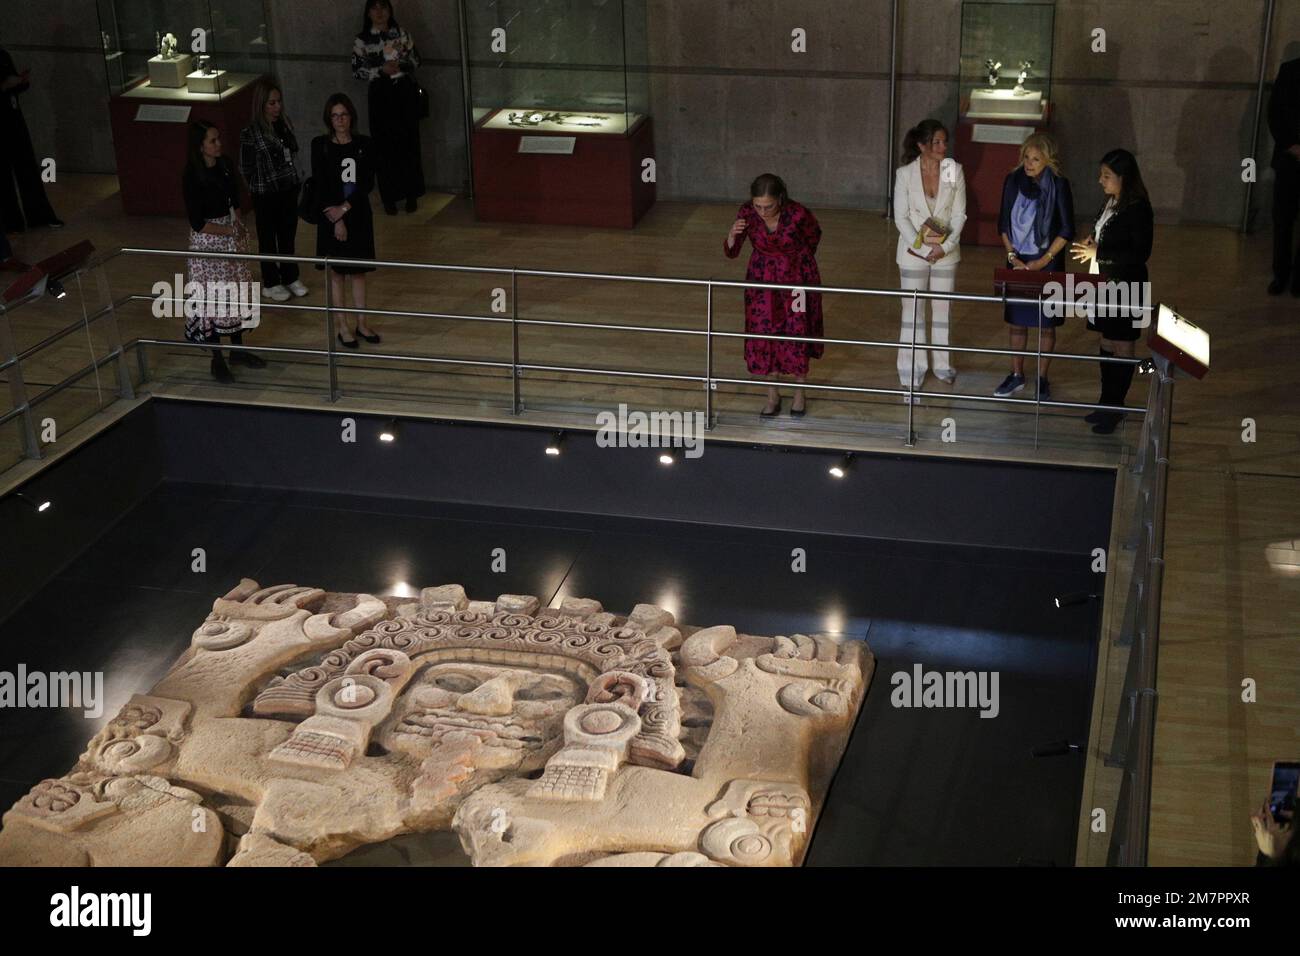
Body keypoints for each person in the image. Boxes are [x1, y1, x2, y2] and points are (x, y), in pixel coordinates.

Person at [724, 174, 824, 418]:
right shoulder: (747, 213)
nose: (762, 211)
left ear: (780, 198)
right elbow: (732, 252)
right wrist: (732, 235)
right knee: (764, 333)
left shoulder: (799, 214)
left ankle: (800, 392)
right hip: (761, 281)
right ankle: (772, 393)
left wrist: (796, 262)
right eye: (758, 205)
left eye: (768, 206)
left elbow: (814, 238)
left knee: (797, 331)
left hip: (797, 279)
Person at [1070, 149, 1153, 435]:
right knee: (1106, 342)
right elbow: (1103, 233)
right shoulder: (1111, 202)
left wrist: (1100, 251)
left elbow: (1141, 252)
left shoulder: (1138, 207)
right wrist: (1092, 241)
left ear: (1123, 178)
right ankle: (1106, 402)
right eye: (1101, 175)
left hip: (1126, 286)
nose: (1100, 181)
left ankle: (1117, 406)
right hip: (1103, 284)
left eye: (1107, 176)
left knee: (1123, 346)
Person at [995, 133, 1075, 401]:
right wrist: (1012, 257)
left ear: (1048, 160)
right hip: (1017, 260)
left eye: (1036, 159)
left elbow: (1066, 229)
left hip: (1047, 261)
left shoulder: (1059, 185)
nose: (1029, 163)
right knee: (1017, 322)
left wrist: (1042, 261)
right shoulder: (1012, 181)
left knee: (1046, 324)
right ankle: (1016, 375)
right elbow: (1003, 224)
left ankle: (1042, 378)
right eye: (1026, 157)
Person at [182, 120, 263, 383]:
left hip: (231, 235)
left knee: (236, 293)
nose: (218, 144)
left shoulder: (225, 164)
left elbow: (235, 198)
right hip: (209, 242)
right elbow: (197, 221)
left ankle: (238, 350)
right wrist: (228, 232)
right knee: (214, 300)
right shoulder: (191, 175)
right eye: (212, 141)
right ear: (200, 146)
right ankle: (217, 358)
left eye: (218, 139)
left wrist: (237, 222)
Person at [892, 119, 967, 398]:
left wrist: (944, 248)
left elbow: (959, 214)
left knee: (942, 308)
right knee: (912, 310)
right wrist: (923, 249)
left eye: (944, 141)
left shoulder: (952, 170)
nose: (943, 147)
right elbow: (901, 217)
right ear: (921, 145)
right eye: (936, 142)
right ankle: (912, 367)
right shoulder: (905, 174)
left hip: (946, 253)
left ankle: (943, 365)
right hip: (913, 253)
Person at [313, 93, 380, 347]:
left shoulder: (365, 144)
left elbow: (366, 183)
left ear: (351, 116)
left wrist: (346, 208)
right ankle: (342, 326)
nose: (340, 120)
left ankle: (362, 323)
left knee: (359, 272)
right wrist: (337, 218)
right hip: (331, 216)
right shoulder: (320, 145)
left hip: (358, 213)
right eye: (334, 116)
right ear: (329, 119)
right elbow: (322, 184)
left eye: (343, 115)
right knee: (337, 273)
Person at [239, 76, 308, 304]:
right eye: (272, 103)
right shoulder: (251, 133)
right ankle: (270, 282)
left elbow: (293, 152)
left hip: (288, 188)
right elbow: (246, 168)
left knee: (287, 235)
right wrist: (259, 187)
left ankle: (290, 275)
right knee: (268, 238)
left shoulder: (284, 124)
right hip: (265, 194)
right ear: (261, 105)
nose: (277, 107)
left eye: (279, 102)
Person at [353, 0, 424, 216]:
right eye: (374, 8)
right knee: (383, 147)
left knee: (409, 143)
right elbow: (357, 71)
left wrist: (400, 65)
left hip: (403, 91)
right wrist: (379, 70)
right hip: (380, 95)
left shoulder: (402, 34)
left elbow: (417, 60)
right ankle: (389, 198)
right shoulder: (362, 39)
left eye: (383, 7)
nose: (379, 12)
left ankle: (411, 195)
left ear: (390, 10)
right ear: (368, 13)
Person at [0, 45, 63, 231]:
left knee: (27, 167)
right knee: (4, 175)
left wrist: (19, 82)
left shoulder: (2, 54)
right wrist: (4, 85)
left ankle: (39, 216)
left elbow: (15, 85)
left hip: (13, 118)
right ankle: (11, 222)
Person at [1267, 55, 1300, 296]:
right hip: (1289, 159)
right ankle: (1281, 274)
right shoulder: (1290, 70)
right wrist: (1291, 144)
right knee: (1283, 221)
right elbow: (1275, 112)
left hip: (1290, 156)